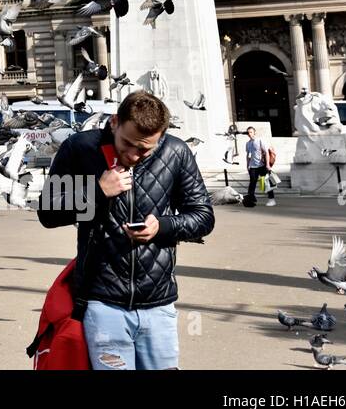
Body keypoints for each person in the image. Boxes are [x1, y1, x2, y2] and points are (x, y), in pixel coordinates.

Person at [37, 90, 214, 371]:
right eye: (127, 144)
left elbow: (203, 217)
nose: (133, 155)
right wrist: (97, 191)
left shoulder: (176, 151)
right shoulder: (81, 148)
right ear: (114, 122)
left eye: (145, 149)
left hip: (158, 303)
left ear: (162, 136)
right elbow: (48, 213)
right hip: (103, 302)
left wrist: (163, 227)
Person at [244, 126, 275, 207]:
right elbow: (248, 155)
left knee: (266, 182)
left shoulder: (260, 140)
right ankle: (251, 199)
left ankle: (271, 199)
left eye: (251, 132)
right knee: (252, 183)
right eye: (248, 132)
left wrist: (268, 164)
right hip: (253, 166)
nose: (249, 134)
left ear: (254, 132)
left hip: (261, 166)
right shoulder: (248, 143)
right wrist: (248, 165)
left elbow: (266, 152)